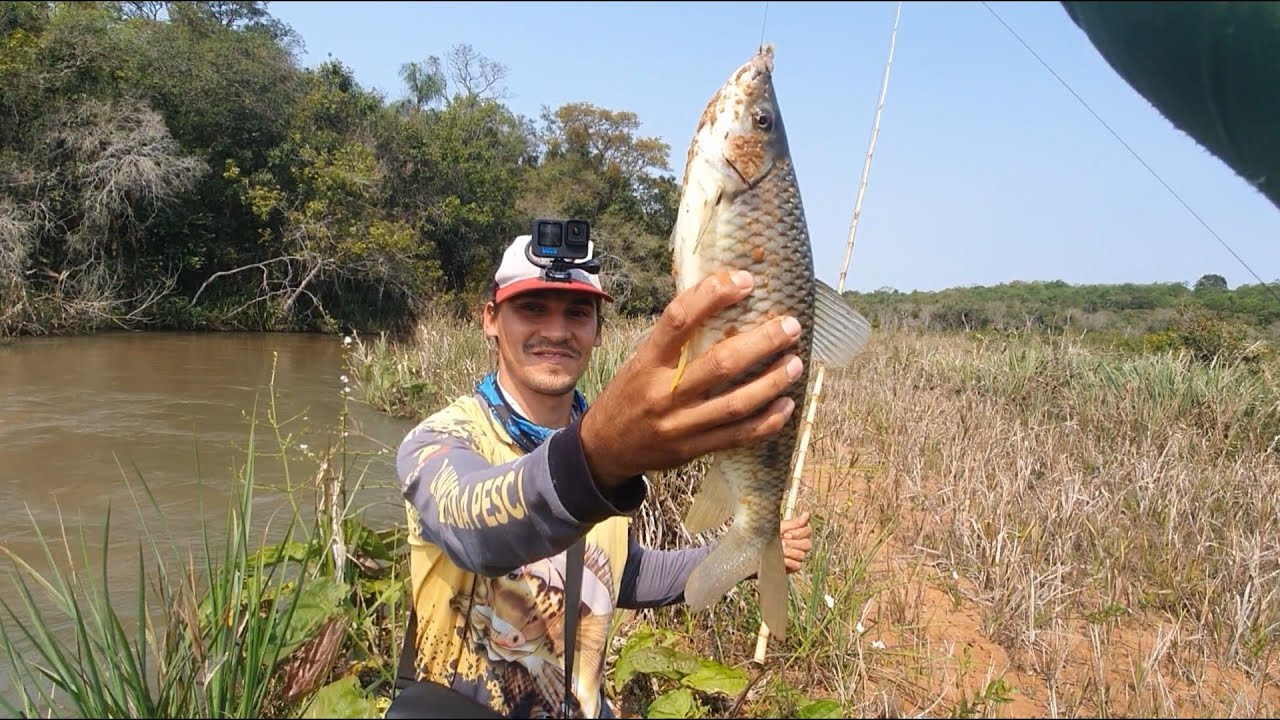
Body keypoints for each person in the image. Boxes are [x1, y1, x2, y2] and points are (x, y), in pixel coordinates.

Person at [387, 234, 814, 719]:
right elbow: (474, 531)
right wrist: (597, 456)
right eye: (532, 308)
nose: (556, 330)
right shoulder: (441, 439)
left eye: (577, 313)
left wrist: (745, 550)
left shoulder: (611, 456)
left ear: (598, 331)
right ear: (491, 320)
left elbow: (621, 573)